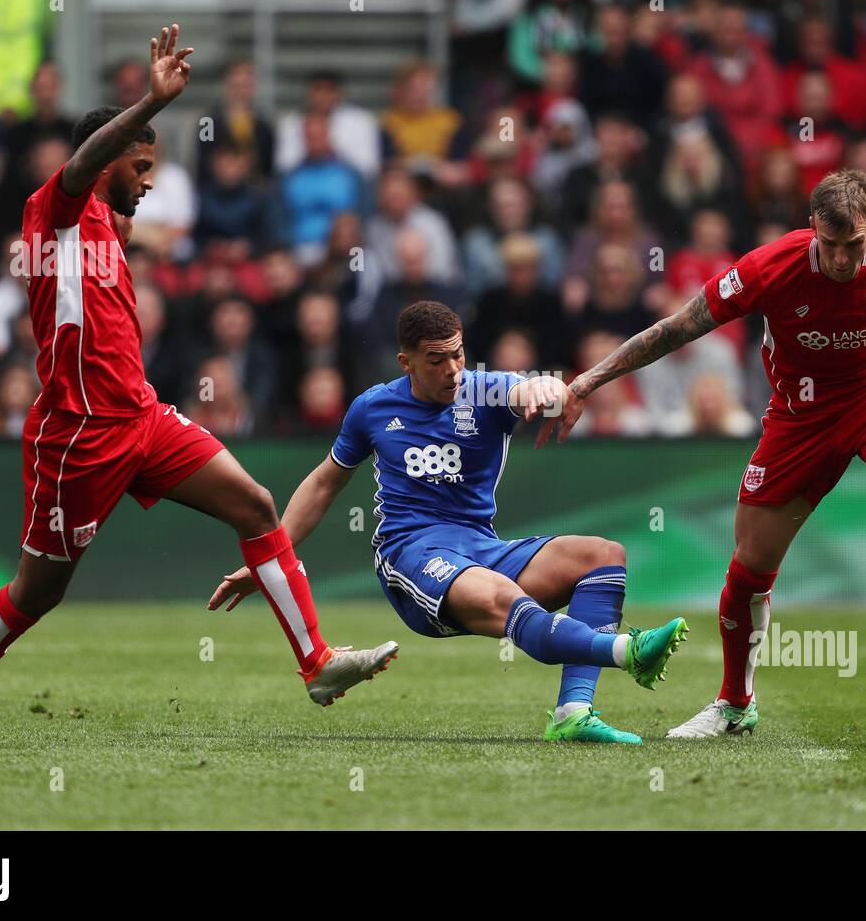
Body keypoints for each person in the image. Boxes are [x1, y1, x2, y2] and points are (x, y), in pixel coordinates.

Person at [0, 24, 397, 744]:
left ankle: (317, 665)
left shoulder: (111, 223)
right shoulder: (55, 211)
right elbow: (82, 165)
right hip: (77, 436)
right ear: (102, 162)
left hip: (142, 418)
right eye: (138, 164)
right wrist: (152, 103)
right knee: (41, 591)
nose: (150, 176)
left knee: (256, 506)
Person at [540, 169, 866, 739]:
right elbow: (678, 328)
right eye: (831, 246)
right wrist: (588, 382)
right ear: (812, 231)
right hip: (798, 421)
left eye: (855, 246)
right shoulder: (768, 268)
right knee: (748, 570)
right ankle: (735, 704)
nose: (845, 260)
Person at [207, 301, 690, 744]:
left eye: (458, 354)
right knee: (506, 599)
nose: (453, 369)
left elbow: (527, 389)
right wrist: (273, 557)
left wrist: (544, 387)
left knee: (604, 556)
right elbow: (323, 483)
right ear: (407, 363)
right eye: (437, 360)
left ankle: (573, 714)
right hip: (411, 553)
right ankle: (630, 651)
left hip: (480, 546)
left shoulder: (485, 390)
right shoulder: (373, 407)